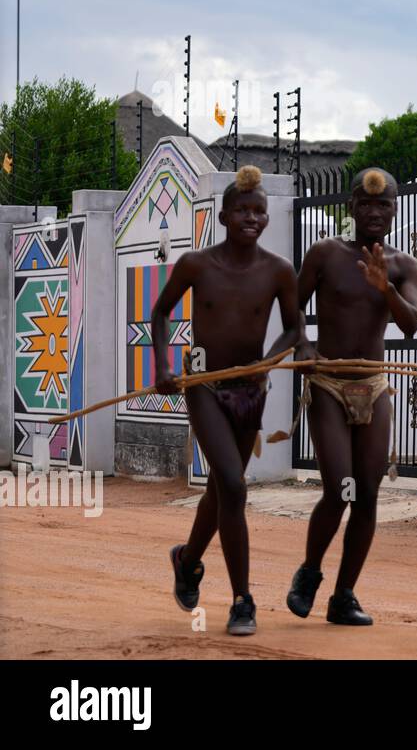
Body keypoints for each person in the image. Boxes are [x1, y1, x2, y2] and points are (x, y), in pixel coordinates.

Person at [155, 166, 300, 636]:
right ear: (223, 216)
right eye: (242, 210)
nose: (251, 218)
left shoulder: (278, 270)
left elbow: (296, 329)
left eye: (259, 211)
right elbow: (159, 313)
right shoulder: (197, 264)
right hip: (203, 384)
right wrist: (162, 368)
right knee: (235, 489)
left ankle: (188, 559)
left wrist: (269, 362)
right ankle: (243, 601)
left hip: (250, 392)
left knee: (222, 489)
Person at [286, 167, 417, 626]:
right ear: (351, 208)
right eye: (365, 204)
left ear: (394, 209)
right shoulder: (325, 253)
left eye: (383, 204)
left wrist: (386, 289)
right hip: (328, 382)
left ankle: (344, 596)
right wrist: (303, 346)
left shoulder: (404, 266)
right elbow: (292, 308)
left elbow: (411, 323)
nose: (375, 212)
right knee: (338, 489)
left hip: (375, 386)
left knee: (367, 495)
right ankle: (309, 572)